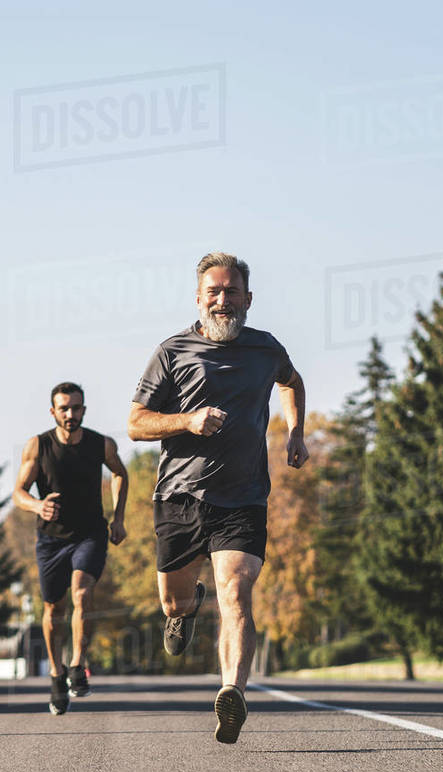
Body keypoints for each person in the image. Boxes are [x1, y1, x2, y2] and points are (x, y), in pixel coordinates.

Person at [128, 252, 307, 743]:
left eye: (232, 292)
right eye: (214, 292)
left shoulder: (266, 349)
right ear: (199, 298)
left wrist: (295, 431)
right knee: (173, 600)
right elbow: (136, 424)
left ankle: (233, 691)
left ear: (248, 298)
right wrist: (187, 420)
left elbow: (292, 382)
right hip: (179, 496)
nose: (223, 300)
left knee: (237, 589)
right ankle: (183, 612)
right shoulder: (172, 352)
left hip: (243, 497)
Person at [13, 381, 128, 715]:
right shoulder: (38, 446)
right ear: (53, 411)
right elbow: (18, 492)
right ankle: (56, 673)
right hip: (51, 540)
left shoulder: (100, 444)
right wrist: (37, 506)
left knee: (81, 592)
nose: (70, 414)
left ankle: (78, 664)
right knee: (53, 609)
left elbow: (120, 474)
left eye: (76, 408)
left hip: (89, 534)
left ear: (84, 410)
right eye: (64, 408)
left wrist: (118, 518)